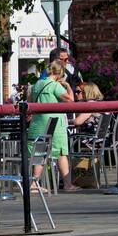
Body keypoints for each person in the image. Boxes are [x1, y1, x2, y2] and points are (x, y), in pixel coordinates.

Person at [27, 60, 76, 193]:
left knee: (40, 151)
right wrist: (68, 86)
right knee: (61, 152)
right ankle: (67, 184)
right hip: (54, 122)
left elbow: (29, 101)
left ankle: (34, 183)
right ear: (60, 73)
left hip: (37, 121)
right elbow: (71, 100)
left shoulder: (37, 84)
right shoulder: (55, 85)